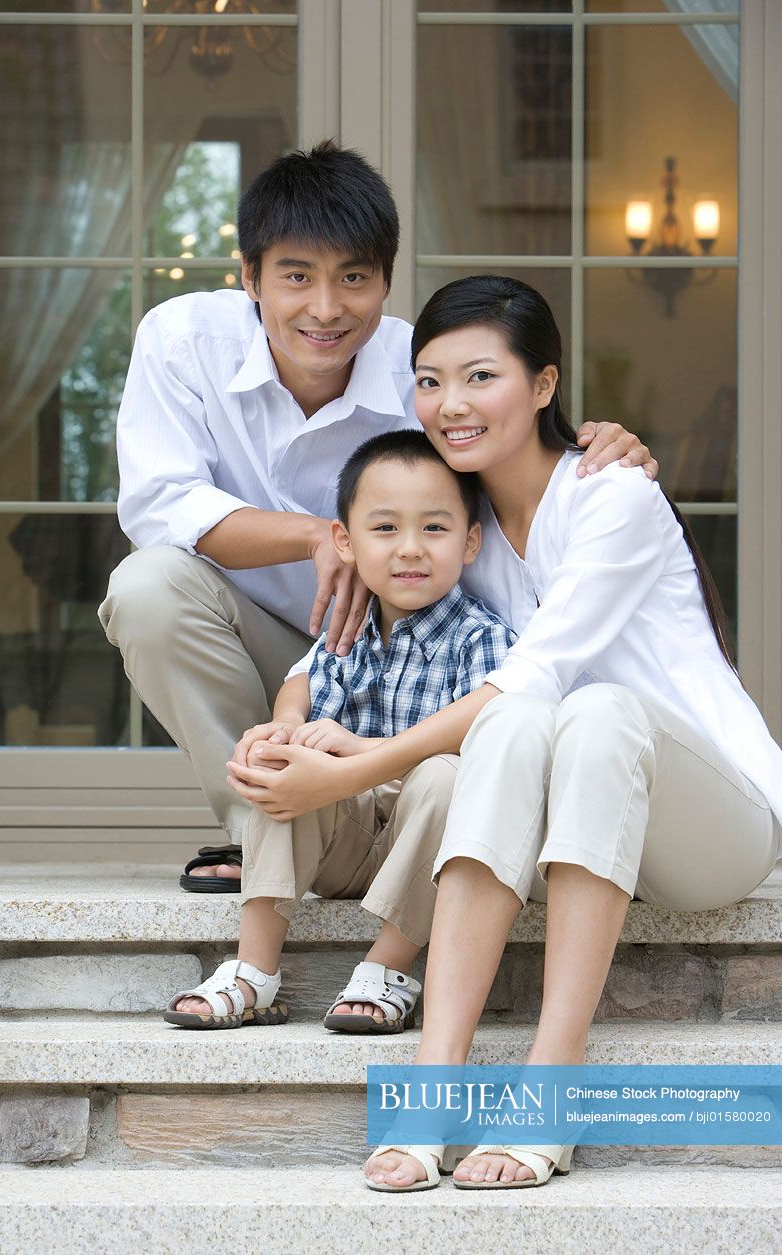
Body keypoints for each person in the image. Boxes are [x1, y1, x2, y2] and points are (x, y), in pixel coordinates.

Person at [224, 275, 782, 1194]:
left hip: (707, 832)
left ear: (545, 386)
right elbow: (417, 666)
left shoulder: (613, 498)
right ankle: (432, 1083)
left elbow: (531, 670)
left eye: (480, 376)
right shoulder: (462, 533)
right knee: (521, 720)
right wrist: (298, 731)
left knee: (579, 704)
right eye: (430, 381)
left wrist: (359, 769)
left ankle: (550, 1089)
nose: (451, 404)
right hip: (585, 835)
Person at [97, 142, 655, 892]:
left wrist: (595, 439)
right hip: (262, 643)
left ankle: (408, 835)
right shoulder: (182, 340)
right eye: (296, 276)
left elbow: (506, 439)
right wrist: (315, 539)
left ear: (386, 282)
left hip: (405, 655)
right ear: (248, 276)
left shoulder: (418, 372)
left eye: (353, 278)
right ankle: (267, 828)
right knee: (147, 588)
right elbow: (160, 505)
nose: (325, 309)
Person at [163, 429, 514, 1033]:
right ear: (344, 543)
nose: (410, 549)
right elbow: (302, 683)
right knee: (282, 757)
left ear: (471, 540)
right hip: (346, 848)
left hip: (428, 853)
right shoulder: (347, 629)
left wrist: (363, 750)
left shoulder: (481, 638)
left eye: (434, 528)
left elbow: (489, 743)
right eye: (385, 529)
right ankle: (255, 970)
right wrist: (285, 727)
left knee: (445, 775)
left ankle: (389, 967)